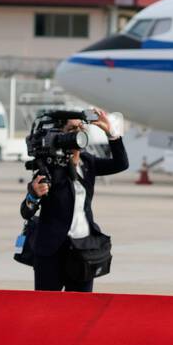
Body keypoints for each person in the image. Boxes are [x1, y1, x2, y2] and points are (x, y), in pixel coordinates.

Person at [20, 111, 127, 292]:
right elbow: (26, 211)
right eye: (72, 129)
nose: (78, 133)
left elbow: (121, 164)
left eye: (80, 127)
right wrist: (33, 194)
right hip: (51, 251)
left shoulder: (88, 162)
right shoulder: (49, 165)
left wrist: (111, 133)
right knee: (47, 310)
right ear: (61, 134)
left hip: (82, 250)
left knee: (81, 310)